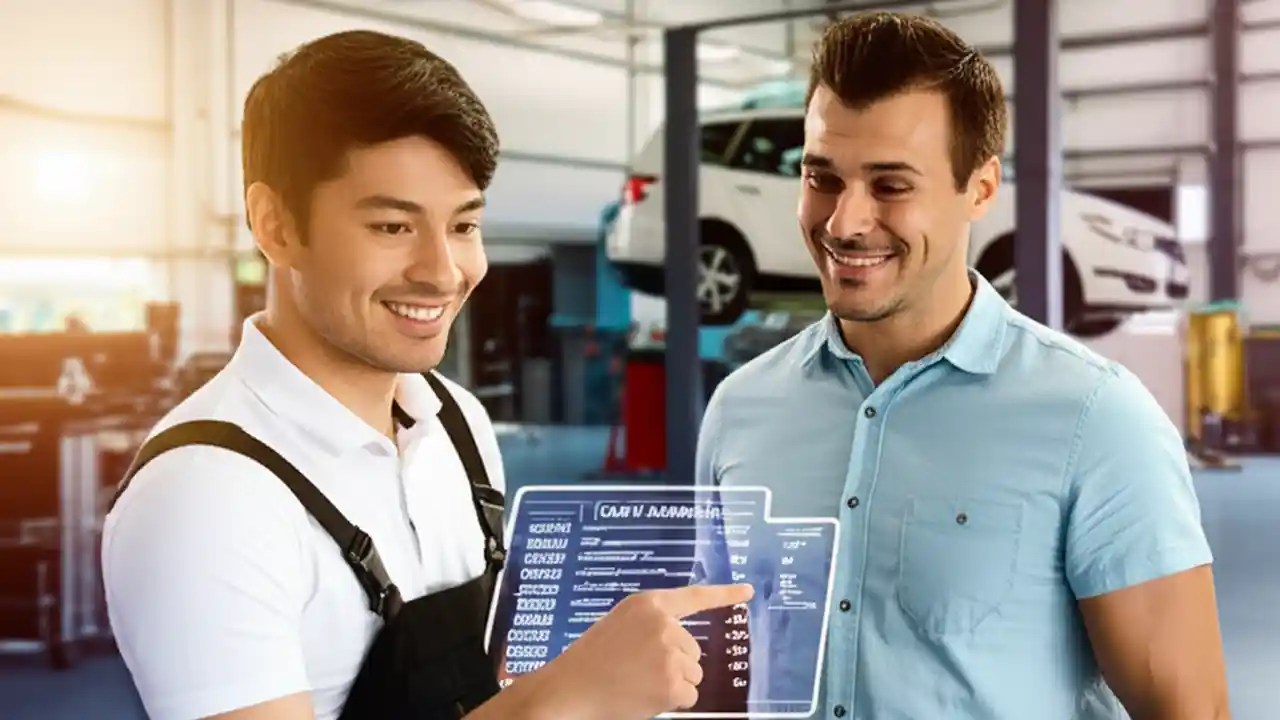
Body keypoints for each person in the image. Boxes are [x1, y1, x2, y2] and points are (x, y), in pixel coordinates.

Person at [102, 29, 750, 720]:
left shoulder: (458, 423)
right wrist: (566, 701)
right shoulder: (207, 495)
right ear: (276, 224)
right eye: (392, 227)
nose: (443, 272)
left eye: (465, 226)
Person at [694, 12, 1230, 720]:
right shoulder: (740, 409)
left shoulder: (1094, 420)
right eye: (821, 176)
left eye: (890, 186)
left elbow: (1189, 709)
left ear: (979, 189)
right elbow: (721, 671)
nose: (844, 222)